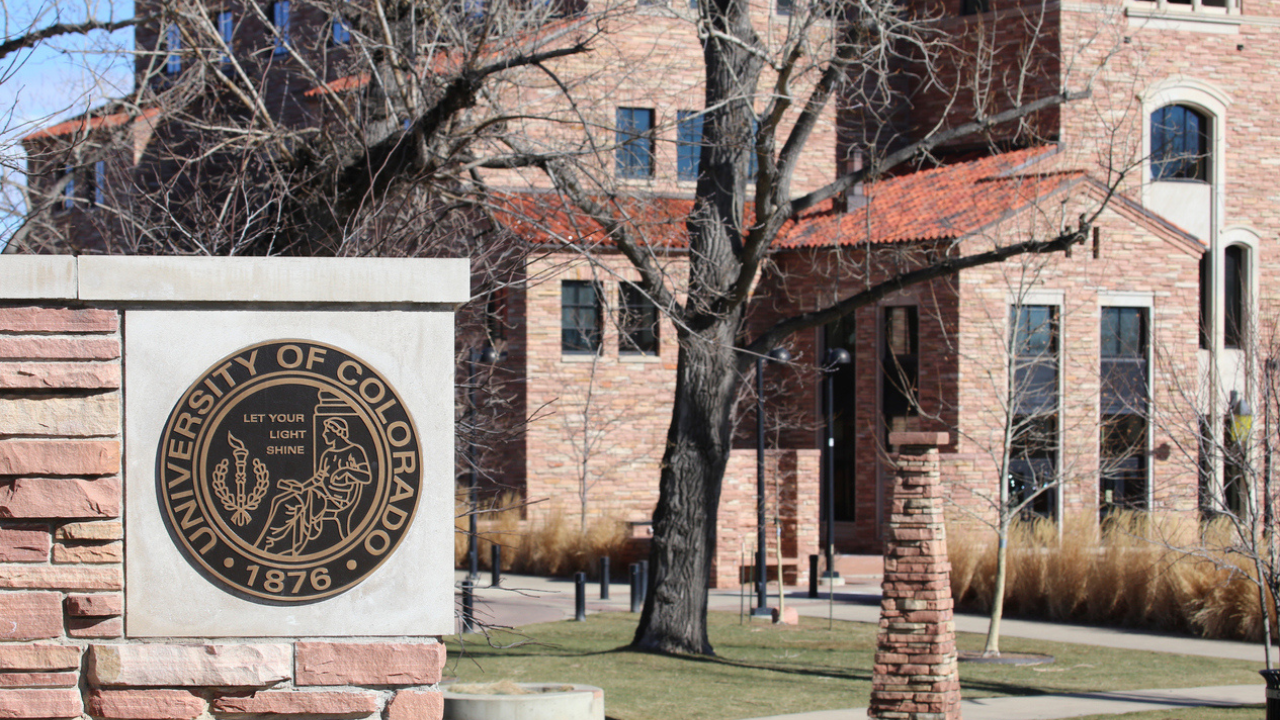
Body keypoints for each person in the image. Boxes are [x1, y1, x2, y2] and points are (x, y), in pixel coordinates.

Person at [257, 417, 372, 556]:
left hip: (336, 500)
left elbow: (367, 477)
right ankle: (269, 541)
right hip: (319, 493)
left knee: (296, 503)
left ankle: (286, 547)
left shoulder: (354, 451)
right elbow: (318, 479)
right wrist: (300, 487)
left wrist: (346, 471)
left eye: (326, 432)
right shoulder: (328, 454)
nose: (323, 435)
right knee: (280, 500)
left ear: (336, 432)